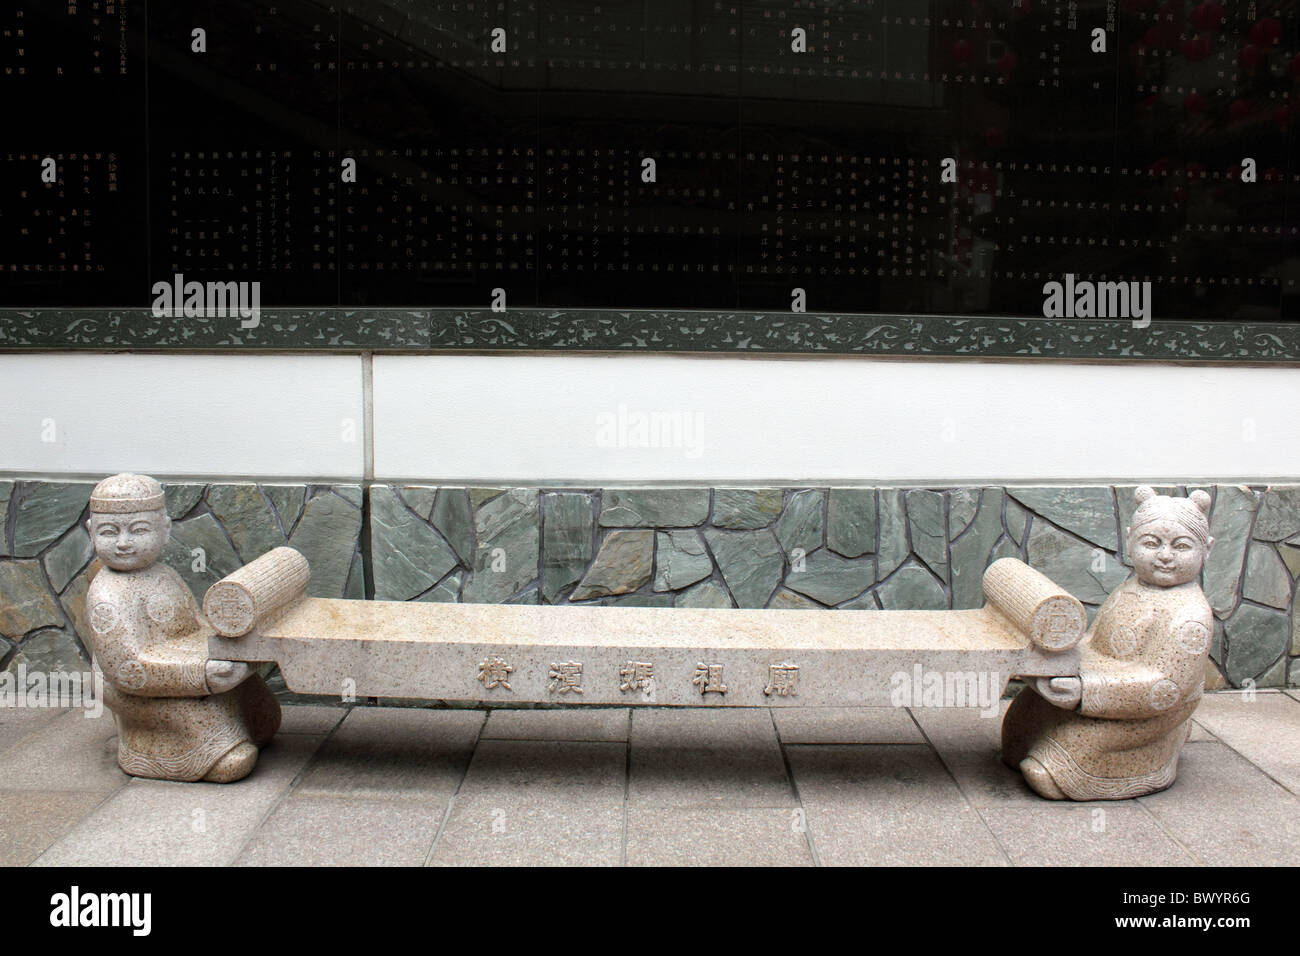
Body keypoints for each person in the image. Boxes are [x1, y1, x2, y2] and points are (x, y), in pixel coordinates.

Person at [1001, 486, 1215, 800]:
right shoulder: (1130, 588)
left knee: (1047, 771)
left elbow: (1165, 686)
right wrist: (1056, 659)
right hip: (1105, 682)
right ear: (1130, 541)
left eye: (1181, 546)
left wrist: (1087, 690)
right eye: (1151, 543)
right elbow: (1097, 641)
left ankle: (1161, 748)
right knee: (1018, 731)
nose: (1165, 556)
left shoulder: (1190, 615)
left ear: (1206, 550)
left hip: (1145, 710)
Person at [83, 473, 280, 782]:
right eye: (110, 532)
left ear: (165, 530)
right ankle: (153, 747)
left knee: (264, 718)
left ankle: (230, 725)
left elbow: (194, 625)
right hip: (136, 685)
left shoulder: (164, 574)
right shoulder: (107, 596)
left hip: (177, 662)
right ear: (91, 533)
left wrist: (230, 644)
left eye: (138, 530)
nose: (123, 543)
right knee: (232, 761)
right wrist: (199, 675)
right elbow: (126, 669)